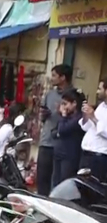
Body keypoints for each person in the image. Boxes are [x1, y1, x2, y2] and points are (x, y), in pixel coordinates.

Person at [37, 64, 74, 195]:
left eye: (54, 76)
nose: (51, 78)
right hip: (45, 141)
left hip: (61, 144)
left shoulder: (74, 96)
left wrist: (62, 112)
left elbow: (77, 120)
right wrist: (43, 114)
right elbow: (42, 116)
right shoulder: (49, 94)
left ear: (63, 77)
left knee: (58, 183)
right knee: (42, 180)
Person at [52, 88, 85, 188]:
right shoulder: (67, 117)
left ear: (74, 103)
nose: (63, 107)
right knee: (55, 182)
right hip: (59, 153)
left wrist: (63, 115)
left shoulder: (79, 118)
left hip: (69, 156)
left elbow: (62, 130)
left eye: (65, 104)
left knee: (63, 184)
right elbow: (54, 131)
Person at [80, 78, 107, 181]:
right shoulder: (101, 106)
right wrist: (86, 115)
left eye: (99, 89)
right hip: (86, 154)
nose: (97, 92)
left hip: (99, 157)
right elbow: (88, 128)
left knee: (93, 189)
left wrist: (93, 117)